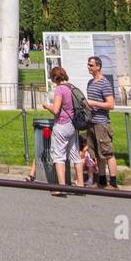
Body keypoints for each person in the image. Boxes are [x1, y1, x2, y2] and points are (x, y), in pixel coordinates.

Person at [43, 65, 84, 194]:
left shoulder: (60, 89)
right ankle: (80, 185)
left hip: (62, 125)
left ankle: (62, 188)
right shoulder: (71, 87)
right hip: (73, 125)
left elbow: (56, 110)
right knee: (75, 155)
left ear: (55, 78)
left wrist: (46, 106)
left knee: (59, 156)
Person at [85, 54, 117, 188]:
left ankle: (113, 181)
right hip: (91, 122)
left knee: (107, 153)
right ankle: (102, 180)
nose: (89, 67)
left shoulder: (104, 83)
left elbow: (111, 104)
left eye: (91, 65)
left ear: (98, 66)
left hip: (102, 123)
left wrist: (94, 103)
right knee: (98, 153)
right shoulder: (90, 83)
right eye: (88, 65)